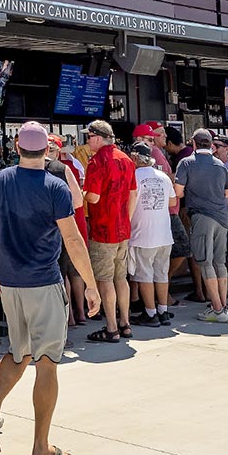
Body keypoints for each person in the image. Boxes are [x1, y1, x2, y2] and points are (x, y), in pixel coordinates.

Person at [0, 122, 98, 455]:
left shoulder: (0, 180)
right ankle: (41, 447)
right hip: (43, 282)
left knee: (19, 351)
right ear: (47, 151)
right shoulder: (55, 186)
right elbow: (73, 240)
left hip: (10, 283)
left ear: (16, 147)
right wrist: (90, 284)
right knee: (47, 363)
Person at [80, 120, 136, 341]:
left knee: (104, 279)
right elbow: (133, 193)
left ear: (97, 137)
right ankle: (125, 323)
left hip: (103, 229)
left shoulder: (97, 161)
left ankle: (111, 328)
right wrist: (126, 220)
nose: (87, 141)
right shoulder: (126, 159)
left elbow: (93, 197)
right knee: (121, 278)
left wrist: (81, 192)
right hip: (122, 228)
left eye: (88, 137)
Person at [177, 129, 228, 322]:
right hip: (222, 217)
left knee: (204, 262)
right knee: (220, 262)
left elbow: (178, 192)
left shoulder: (186, 163)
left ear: (194, 143)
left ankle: (216, 308)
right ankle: (223, 307)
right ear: (211, 145)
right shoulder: (220, 164)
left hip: (201, 216)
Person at [129, 142, 177, 325]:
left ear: (134, 157)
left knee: (144, 275)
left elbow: (129, 203)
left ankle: (150, 313)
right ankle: (163, 310)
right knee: (161, 273)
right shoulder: (163, 176)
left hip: (143, 233)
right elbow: (172, 202)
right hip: (164, 233)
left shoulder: (133, 176)